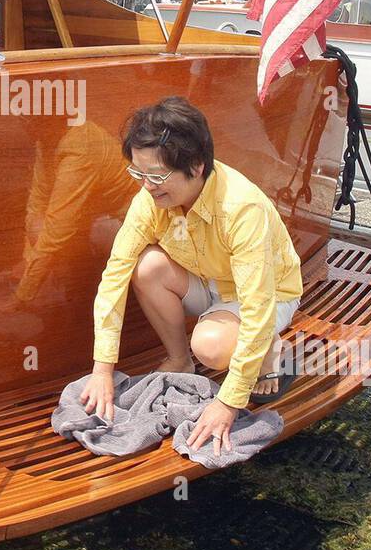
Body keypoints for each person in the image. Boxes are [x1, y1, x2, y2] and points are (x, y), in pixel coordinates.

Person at [79, 96, 303, 457]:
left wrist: (228, 403)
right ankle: (180, 359)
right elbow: (115, 275)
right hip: (210, 282)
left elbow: (257, 303)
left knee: (211, 348)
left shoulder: (241, 208)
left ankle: (272, 349)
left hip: (268, 294)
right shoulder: (150, 200)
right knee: (147, 266)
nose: (147, 187)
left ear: (196, 166)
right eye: (138, 174)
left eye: (156, 176)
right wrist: (102, 369)